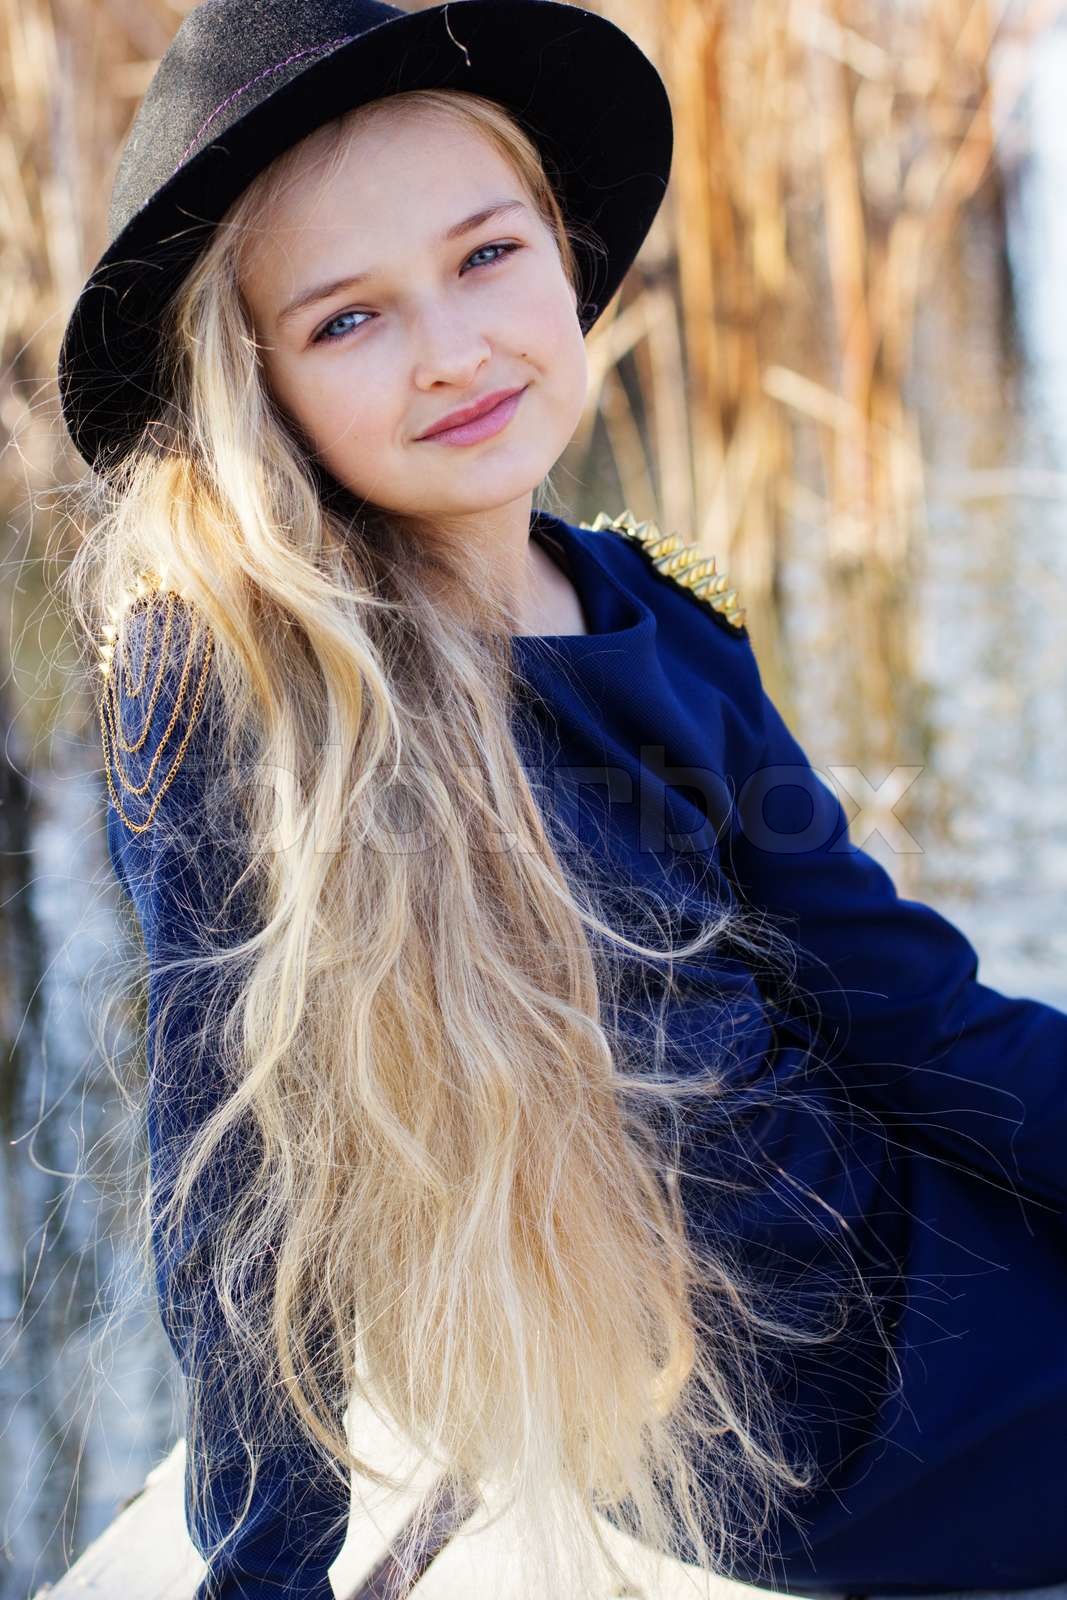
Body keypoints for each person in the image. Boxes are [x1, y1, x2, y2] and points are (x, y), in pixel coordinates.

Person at [57, 3, 1067, 1598]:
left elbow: (910, 1018)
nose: (457, 348)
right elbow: (238, 1187)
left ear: (565, 246)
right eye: (346, 321)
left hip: (911, 1251)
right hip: (809, 1415)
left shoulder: (656, 615)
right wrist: (265, 1570)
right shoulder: (251, 694)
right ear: (253, 385)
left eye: (484, 256)